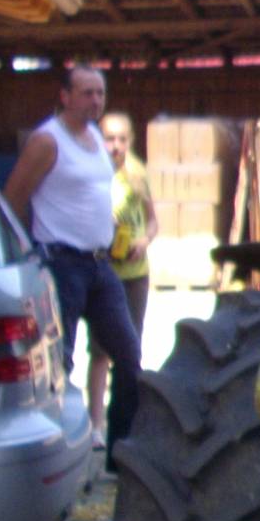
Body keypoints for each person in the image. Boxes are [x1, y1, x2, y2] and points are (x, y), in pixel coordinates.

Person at [2, 65, 142, 460]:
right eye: (86, 93)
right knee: (59, 363)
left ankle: (120, 452)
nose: (95, 101)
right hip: (62, 262)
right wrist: (24, 253)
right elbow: (12, 200)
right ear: (65, 96)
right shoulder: (47, 141)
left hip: (100, 264)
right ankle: (59, 456)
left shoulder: (96, 137)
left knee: (129, 356)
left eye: (100, 93)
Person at [86, 112, 155, 449]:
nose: (115, 146)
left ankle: (129, 422)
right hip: (105, 272)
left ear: (130, 141)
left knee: (131, 351)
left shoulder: (138, 174)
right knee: (100, 351)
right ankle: (95, 425)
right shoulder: (92, 175)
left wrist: (144, 241)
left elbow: (153, 222)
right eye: (109, 138)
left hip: (136, 275)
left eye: (121, 139)